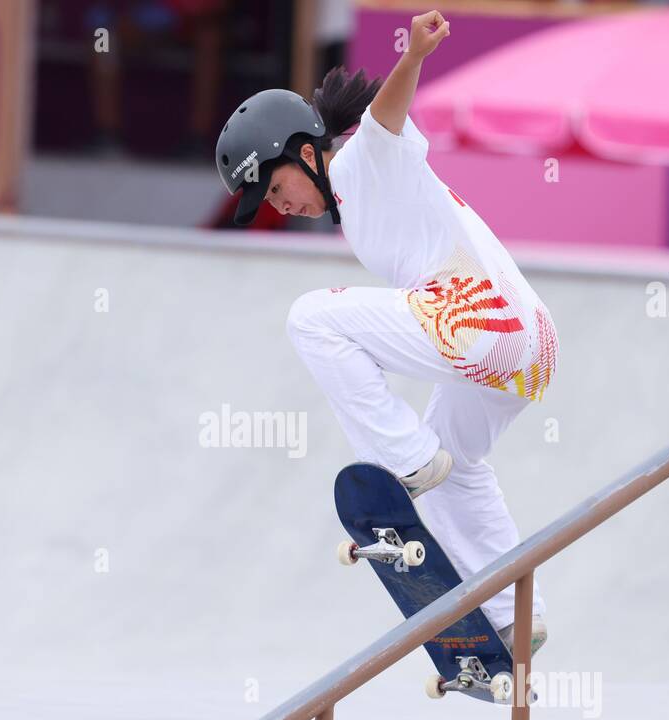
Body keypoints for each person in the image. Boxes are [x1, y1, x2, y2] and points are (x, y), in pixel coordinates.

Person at [214, 10, 554, 655]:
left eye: (277, 186)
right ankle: (514, 613)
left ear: (307, 153)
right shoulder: (355, 198)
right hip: (528, 348)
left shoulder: (361, 162)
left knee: (311, 318)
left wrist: (413, 57)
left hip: (478, 321)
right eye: (267, 202)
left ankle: (409, 460)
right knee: (461, 470)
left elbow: (386, 117)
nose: (280, 206)